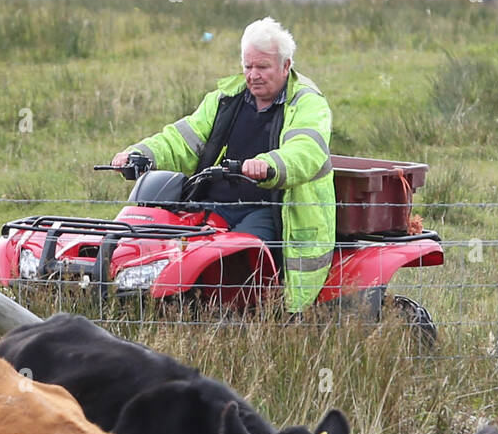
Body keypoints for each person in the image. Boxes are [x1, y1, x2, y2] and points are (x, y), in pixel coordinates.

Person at [112, 17, 335, 313]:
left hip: (273, 207)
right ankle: (141, 302)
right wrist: (141, 153)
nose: (253, 75)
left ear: (285, 65)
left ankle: (245, 318)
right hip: (214, 203)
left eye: (262, 67)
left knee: (240, 254)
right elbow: (183, 138)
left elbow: (305, 151)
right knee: (160, 239)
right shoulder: (225, 100)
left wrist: (269, 165)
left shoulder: (308, 103)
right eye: (247, 66)